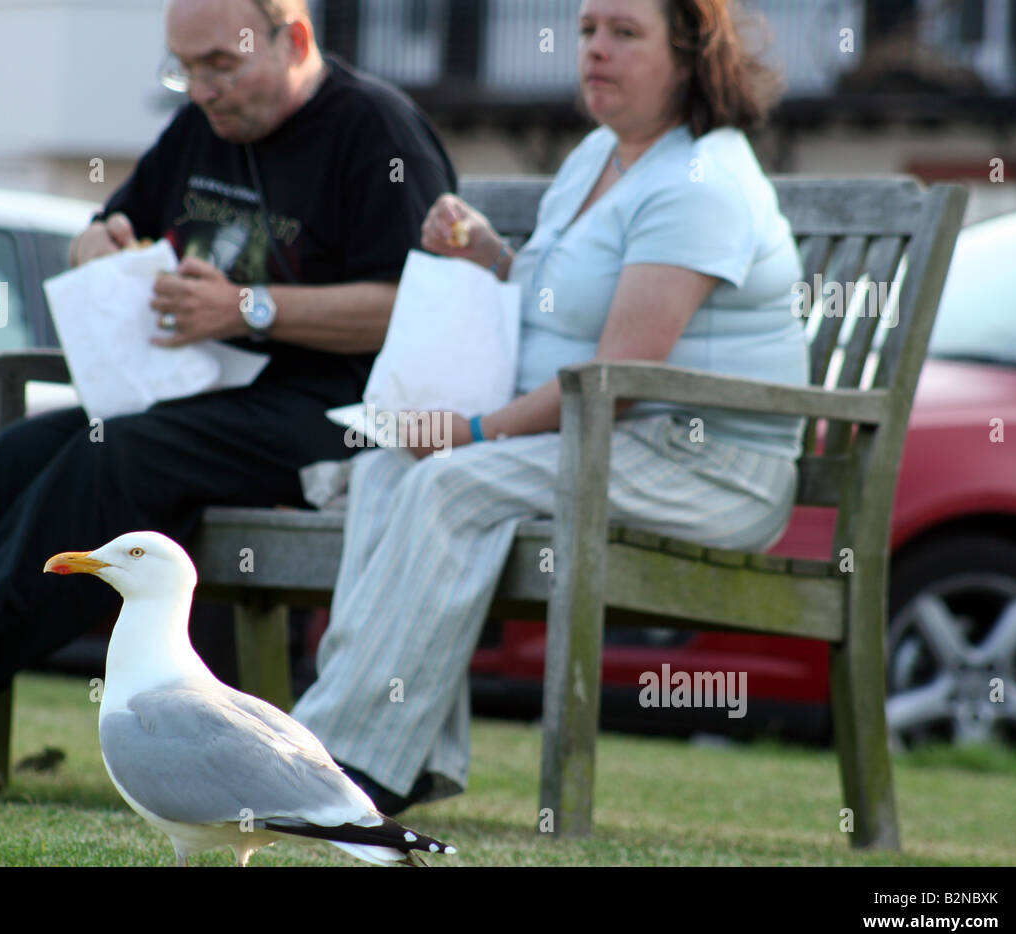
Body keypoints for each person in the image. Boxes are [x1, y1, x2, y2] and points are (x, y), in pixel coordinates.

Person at [0, 0, 456, 792]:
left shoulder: (375, 132)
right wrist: (94, 241)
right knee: (21, 448)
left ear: (295, 39)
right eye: (186, 68)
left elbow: (418, 306)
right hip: (202, 397)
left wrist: (249, 306)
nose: (203, 89)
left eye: (221, 64)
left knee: (129, 456)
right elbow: (112, 224)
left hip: (340, 415)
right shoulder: (201, 125)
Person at [287, 0, 810, 815]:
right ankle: (399, 753)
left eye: (625, 34)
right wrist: (491, 254)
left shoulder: (702, 182)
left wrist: (470, 434)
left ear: (689, 54)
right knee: (389, 464)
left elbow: (621, 376)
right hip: (605, 443)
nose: (596, 50)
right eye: (588, 30)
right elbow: (556, 301)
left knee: (450, 483)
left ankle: (336, 763)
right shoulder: (601, 155)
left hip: (704, 465)